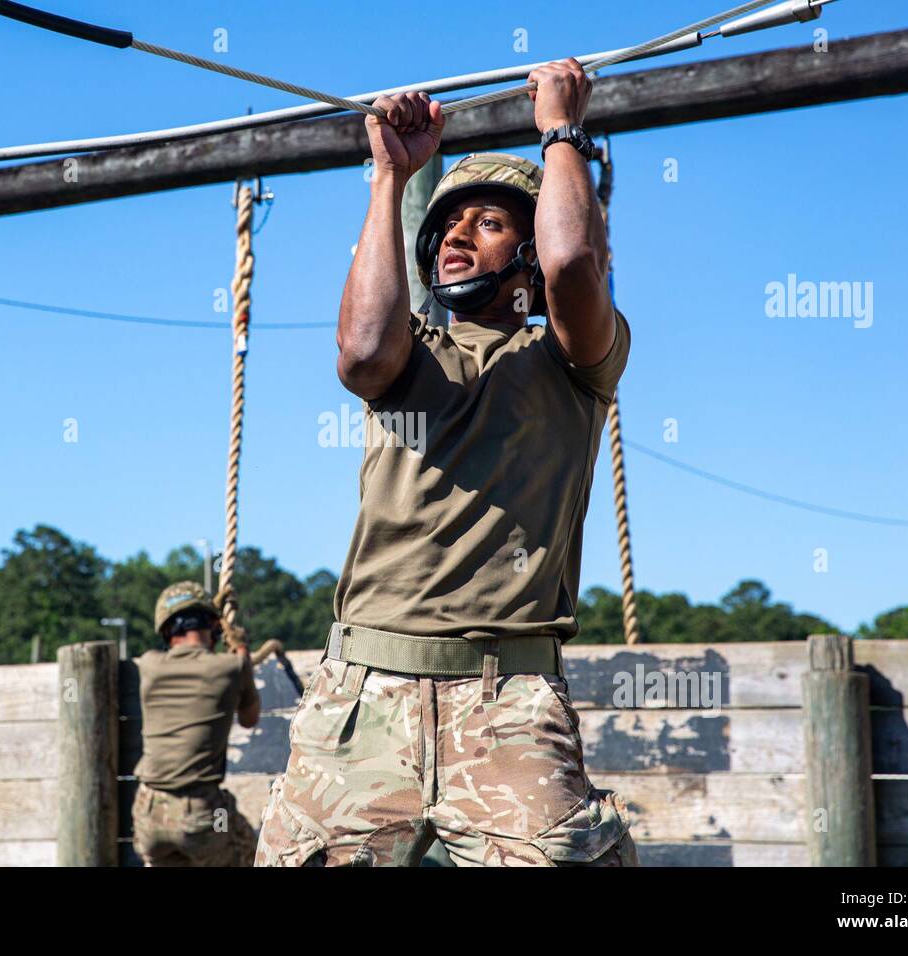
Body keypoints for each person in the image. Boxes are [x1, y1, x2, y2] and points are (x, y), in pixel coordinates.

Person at [255, 58, 637, 866]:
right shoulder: (410, 356)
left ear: (528, 251)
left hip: (509, 703)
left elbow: (573, 268)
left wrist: (561, 132)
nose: (459, 235)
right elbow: (359, 351)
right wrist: (390, 177)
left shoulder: (572, 362)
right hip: (361, 696)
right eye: (449, 227)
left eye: (490, 222)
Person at [130, 581, 261, 866]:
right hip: (204, 817)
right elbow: (250, 719)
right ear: (213, 626)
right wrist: (240, 648)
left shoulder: (150, 665)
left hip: (148, 814)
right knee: (254, 855)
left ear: (166, 631)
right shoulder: (231, 667)